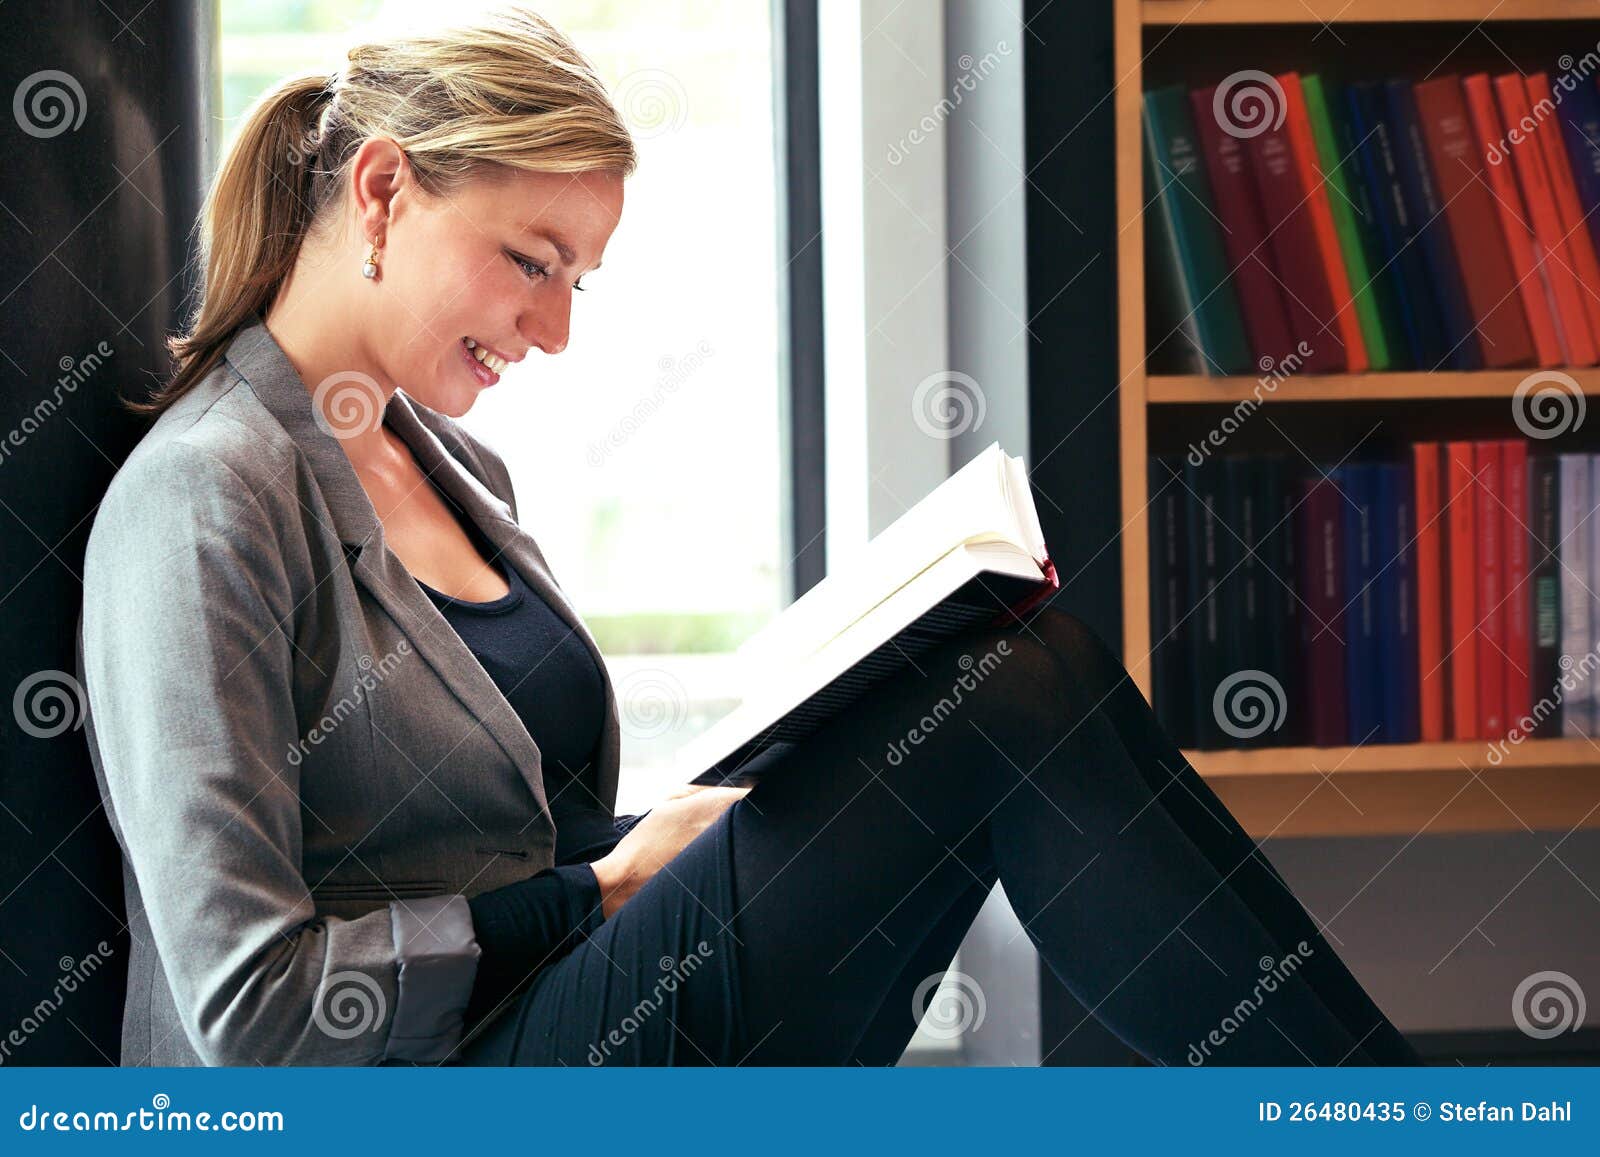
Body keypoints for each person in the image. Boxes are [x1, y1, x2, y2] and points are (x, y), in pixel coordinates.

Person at [76, 6, 1422, 1068]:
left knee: (1014, 666)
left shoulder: (453, 467)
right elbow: (246, 1010)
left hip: (559, 1016)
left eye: (577, 279)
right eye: (532, 259)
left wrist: (708, 811)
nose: (556, 329)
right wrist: (599, 891)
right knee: (1007, 696)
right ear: (380, 192)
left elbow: (513, 831)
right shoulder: (205, 497)